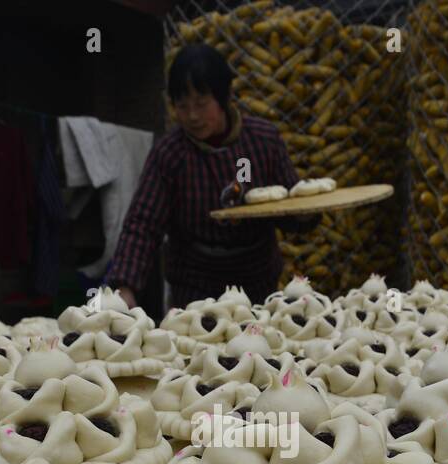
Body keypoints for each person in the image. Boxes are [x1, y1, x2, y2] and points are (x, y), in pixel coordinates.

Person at [105, 43, 317, 312]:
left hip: (257, 282)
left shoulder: (264, 140)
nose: (192, 116)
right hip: (195, 289)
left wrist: (304, 215)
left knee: (259, 352)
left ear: (225, 96)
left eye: (202, 104)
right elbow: (143, 223)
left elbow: (291, 202)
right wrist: (124, 285)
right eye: (182, 106)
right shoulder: (171, 153)